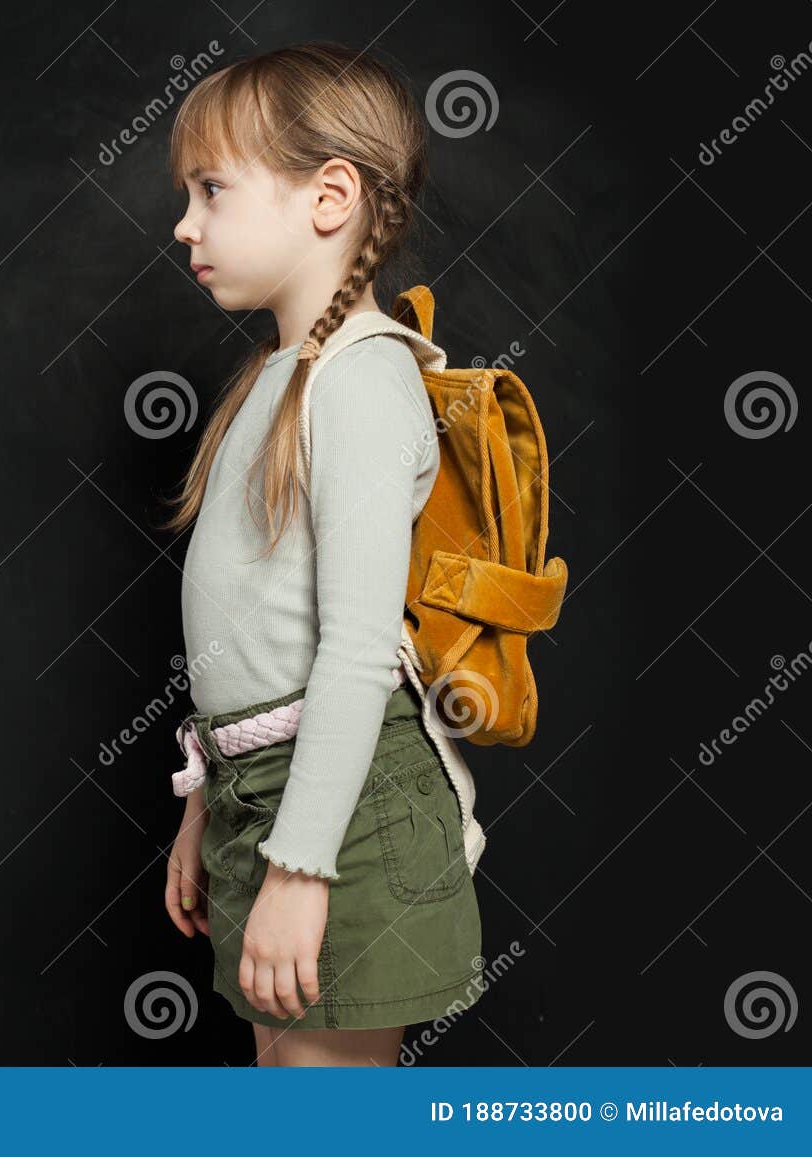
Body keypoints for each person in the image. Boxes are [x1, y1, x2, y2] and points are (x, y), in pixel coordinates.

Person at [157, 43, 484, 1067]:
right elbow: (255, 635)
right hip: (269, 792)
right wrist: (204, 798)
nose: (185, 222)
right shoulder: (280, 372)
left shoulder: (361, 379)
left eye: (211, 188)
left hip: (344, 813)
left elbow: (350, 651)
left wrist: (300, 870)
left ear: (330, 196)